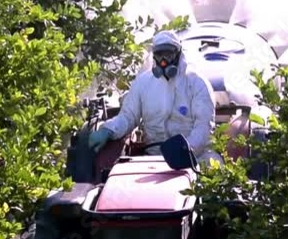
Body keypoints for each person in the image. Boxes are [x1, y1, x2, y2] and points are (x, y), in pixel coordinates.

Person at [87, 29, 223, 166]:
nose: (163, 60)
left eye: (168, 54)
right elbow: (128, 116)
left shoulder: (197, 84)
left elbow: (203, 128)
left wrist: (185, 150)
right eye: (159, 55)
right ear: (154, 56)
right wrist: (108, 129)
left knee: (214, 169)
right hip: (153, 160)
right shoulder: (143, 83)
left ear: (179, 54)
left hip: (194, 158)